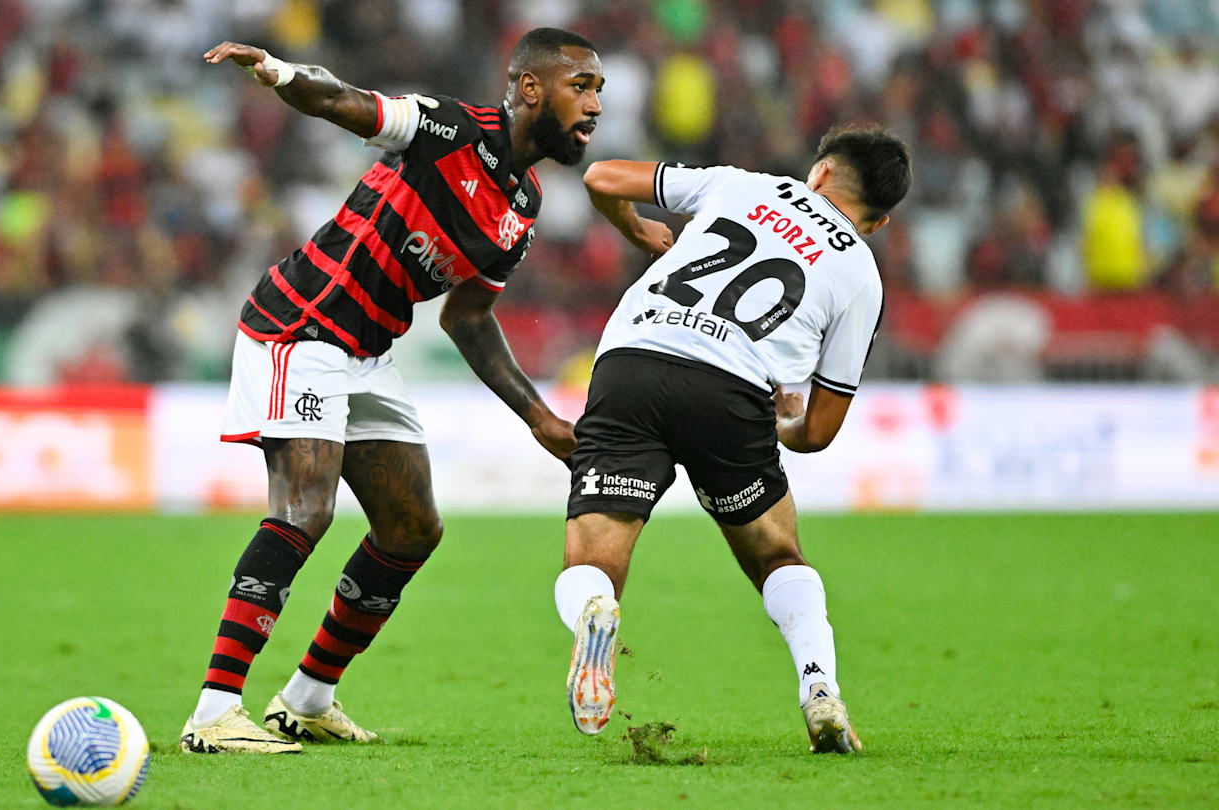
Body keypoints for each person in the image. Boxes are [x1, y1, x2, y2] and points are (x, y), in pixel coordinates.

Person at [179, 28, 604, 755]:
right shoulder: (450, 129)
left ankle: (307, 699)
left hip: (368, 352)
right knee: (304, 511)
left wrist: (539, 417)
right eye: (582, 86)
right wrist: (278, 71)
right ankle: (214, 712)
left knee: (411, 528)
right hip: (302, 325)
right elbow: (345, 101)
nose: (595, 105)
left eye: (599, 90)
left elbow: (469, 317)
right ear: (531, 88)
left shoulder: (522, 207)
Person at [557, 126, 911, 753]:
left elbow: (601, 177)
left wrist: (636, 229)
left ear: (821, 172)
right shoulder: (862, 274)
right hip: (729, 390)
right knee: (778, 555)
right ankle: (820, 689)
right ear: (877, 223)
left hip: (631, 361)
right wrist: (781, 421)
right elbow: (818, 432)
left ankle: (593, 612)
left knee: (593, 561)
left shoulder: (742, 185)